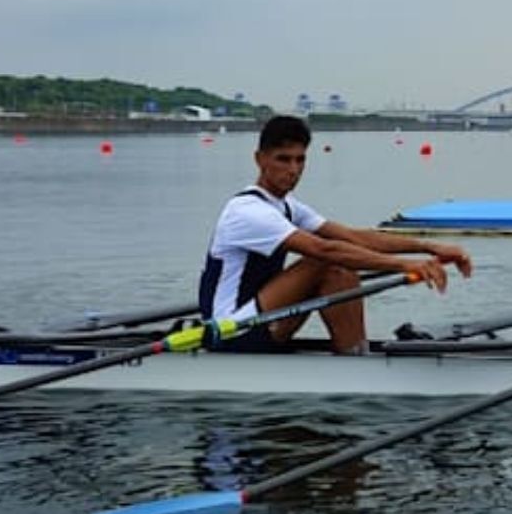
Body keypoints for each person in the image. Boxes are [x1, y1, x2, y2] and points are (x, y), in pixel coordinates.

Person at [199, 115, 472, 354]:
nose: (293, 170)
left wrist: (430, 248)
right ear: (260, 159)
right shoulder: (246, 211)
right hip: (229, 331)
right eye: (283, 159)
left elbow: (357, 238)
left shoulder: (288, 206)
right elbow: (325, 250)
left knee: (339, 267)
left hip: (262, 321)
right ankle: (357, 366)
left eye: (300, 160)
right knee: (329, 260)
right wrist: (405, 265)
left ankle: (356, 355)